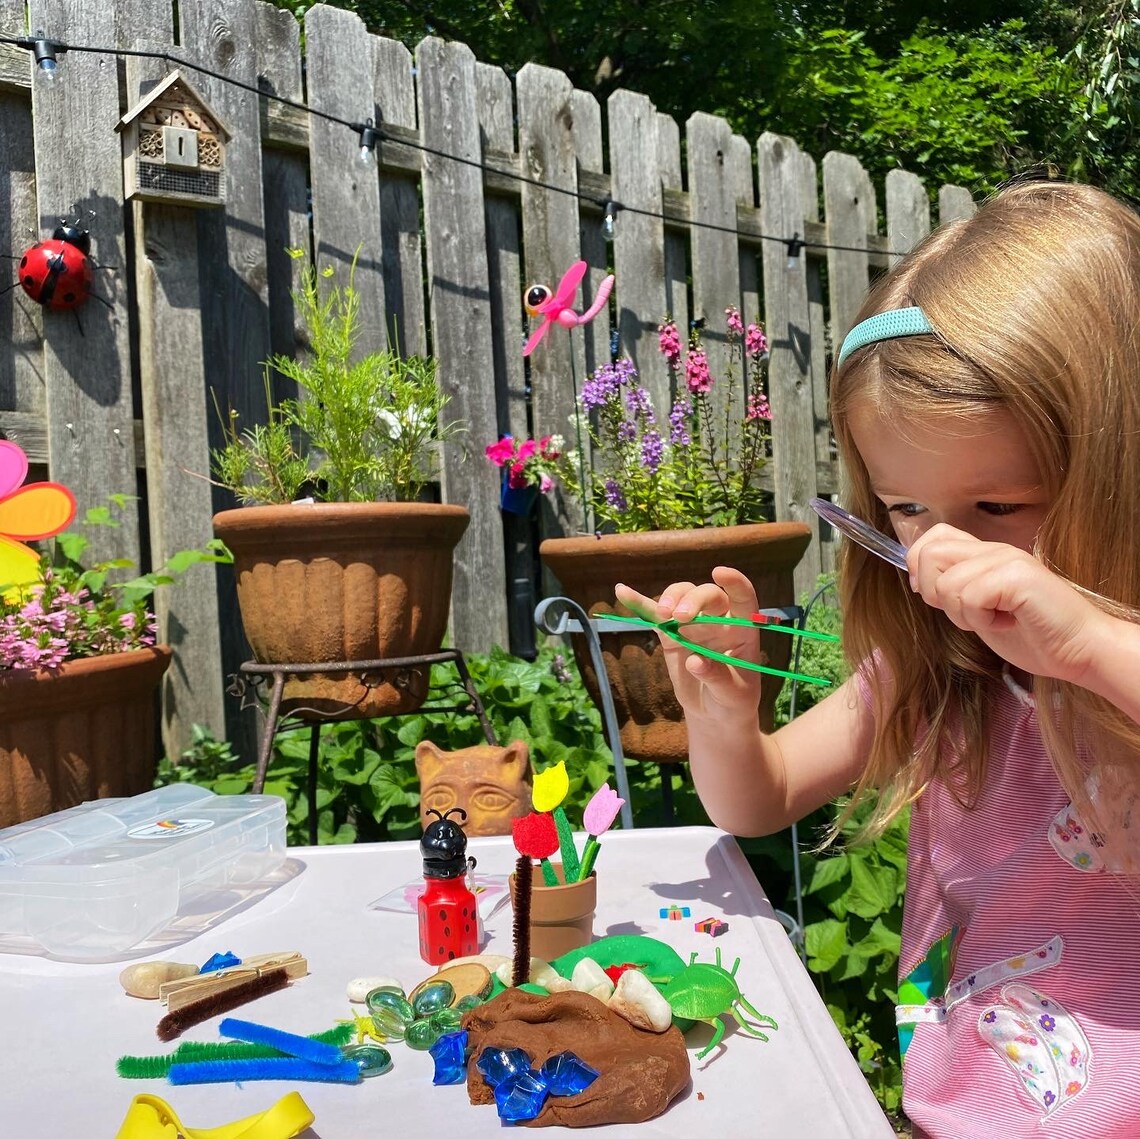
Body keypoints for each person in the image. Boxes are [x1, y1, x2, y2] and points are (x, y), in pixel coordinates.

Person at [615, 178, 1140, 1139]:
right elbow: (761, 796)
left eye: (999, 508)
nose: (942, 553)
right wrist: (727, 717)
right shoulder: (943, 670)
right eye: (906, 509)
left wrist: (1095, 645)